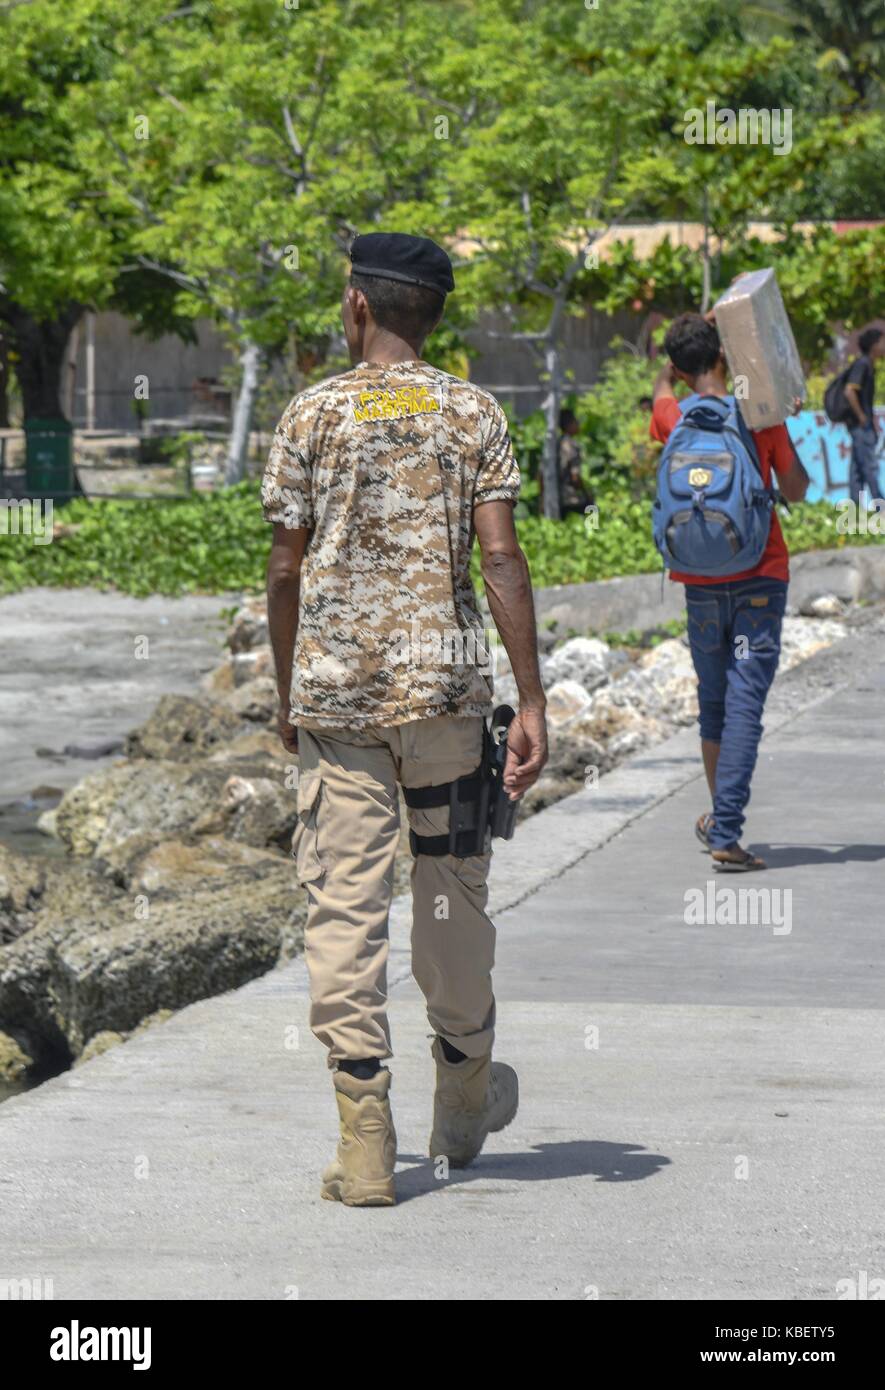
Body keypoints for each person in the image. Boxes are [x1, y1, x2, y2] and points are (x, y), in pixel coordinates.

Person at [262, 232, 548, 1207]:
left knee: (345, 905)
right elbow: (502, 562)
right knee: (447, 895)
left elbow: (286, 568)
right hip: (447, 699)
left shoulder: (309, 414)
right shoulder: (473, 413)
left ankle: (366, 1138)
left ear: (356, 308)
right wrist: (534, 696)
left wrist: (283, 688)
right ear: (435, 315)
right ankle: (463, 1088)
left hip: (339, 706)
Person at [651, 312, 809, 871]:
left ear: (676, 367)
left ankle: (721, 816)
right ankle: (726, 831)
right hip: (760, 577)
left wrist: (669, 368)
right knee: (745, 704)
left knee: (715, 705)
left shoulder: (674, 416)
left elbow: (659, 397)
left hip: (699, 584)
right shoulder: (757, 412)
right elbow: (797, 489)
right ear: (724, 356)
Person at [844, 327, 884, 508]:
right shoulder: (863, 364)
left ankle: (854, 512)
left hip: (861, 425)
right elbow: (849, 391)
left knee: (857, 471)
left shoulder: (868, 364)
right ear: (874, 345)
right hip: (861, 426)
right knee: (869, 468)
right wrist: (862, 417)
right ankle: (881, 509)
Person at [556, 407, 594, 517]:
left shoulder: (557, 443)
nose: (578, 424)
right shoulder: (571, 446)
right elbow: (575, 477)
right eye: (575, 421)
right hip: (571, 498)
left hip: (558, 496)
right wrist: (586, 494)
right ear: (569, 425)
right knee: (592, 511)